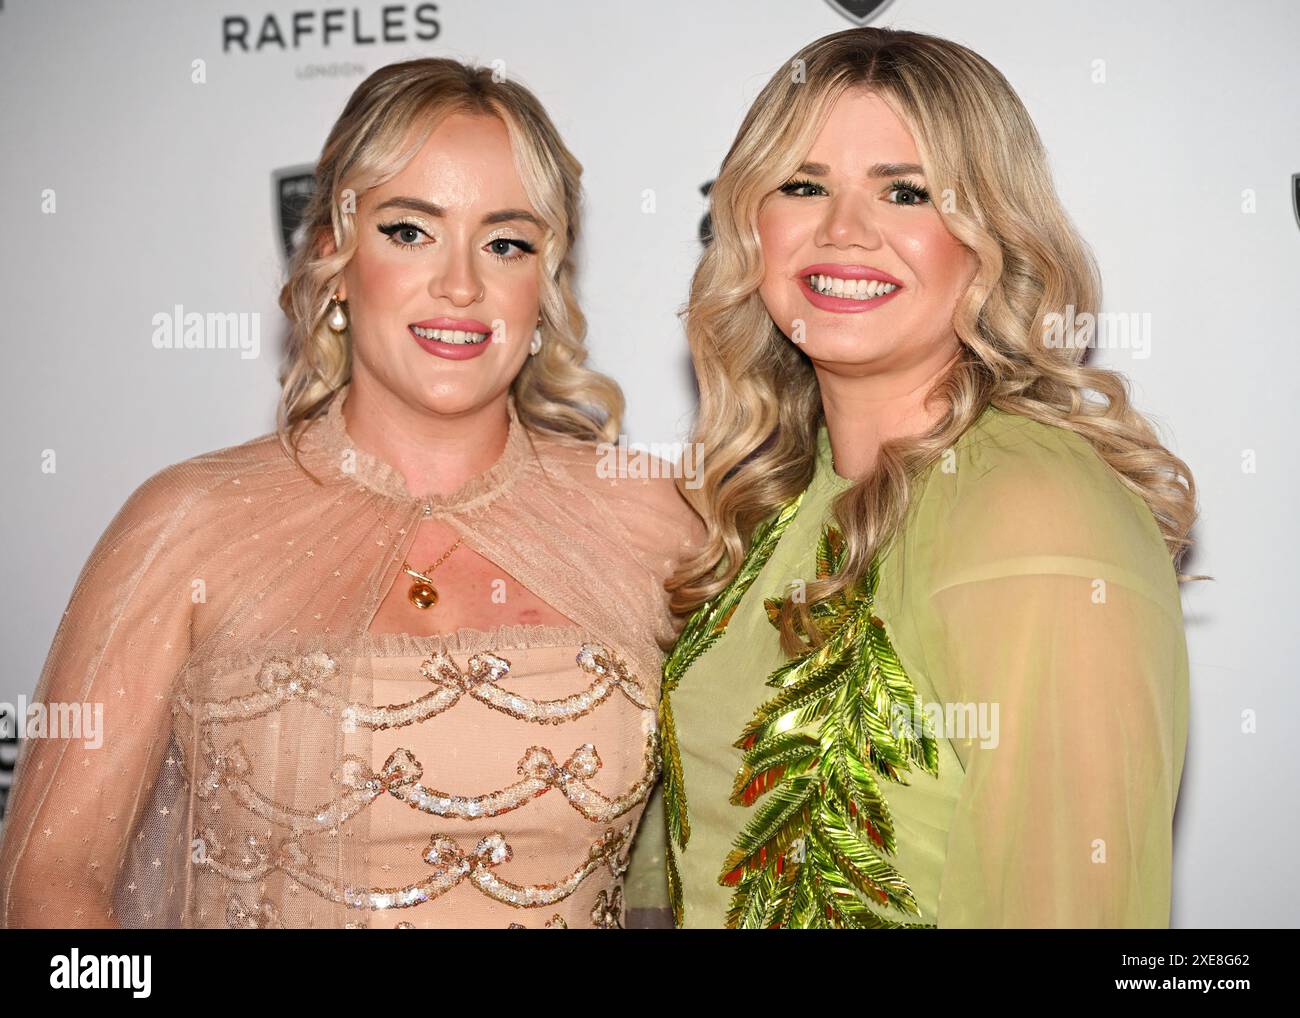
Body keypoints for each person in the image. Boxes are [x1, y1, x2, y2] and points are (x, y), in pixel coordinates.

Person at [0, 57, 704, 929]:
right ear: (333, 256)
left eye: (506, 242)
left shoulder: (656, 519)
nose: (461, 284)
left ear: (544, 285)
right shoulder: (186, 524)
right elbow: (49, 888)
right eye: (410, 230)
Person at [650, 27, 1202, 928]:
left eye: (906, 193)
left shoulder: (1031, 509)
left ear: (992, 238)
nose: (843, 232)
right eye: (803, 185)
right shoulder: (778, 496)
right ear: (751, 223)